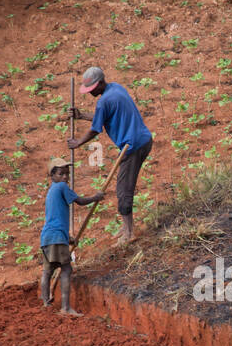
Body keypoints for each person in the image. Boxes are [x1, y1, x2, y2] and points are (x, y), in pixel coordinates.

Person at [66, 65, 153, 243]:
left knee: (123, 190)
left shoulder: (104, 101)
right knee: (124, 187)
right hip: (144, 139)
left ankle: (129, 233)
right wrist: (81, 115)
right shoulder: (116, 88)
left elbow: (96, 129)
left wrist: (78, 143)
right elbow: (103, 115)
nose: (89, 93)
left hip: (132, 146)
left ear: (99, 84)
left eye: (91, 89)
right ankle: (126, 227)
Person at [40, 157, 102, 316]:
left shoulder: (51, 191)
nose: (65, 177)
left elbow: (55, 218)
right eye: (61, 174)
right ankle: (66, 308)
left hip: (47, 237)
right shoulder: (61, 187)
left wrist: (67, 238)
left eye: (67, 174)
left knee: (47, 272)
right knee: (66, 269)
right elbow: (80, 201)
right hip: (57, 236)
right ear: (52, 175)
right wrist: (96, 197)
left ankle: (46, 303)